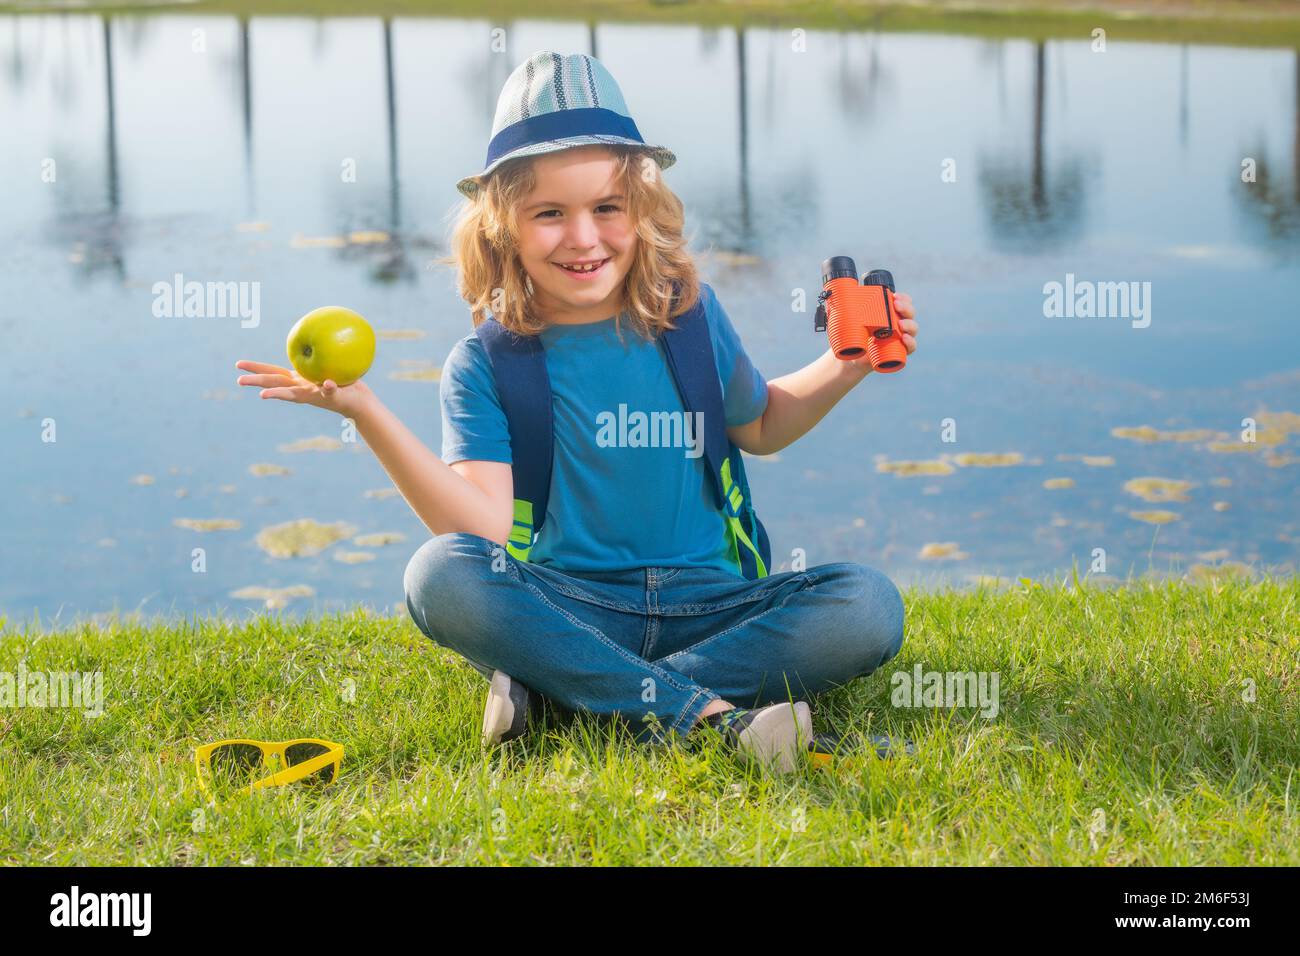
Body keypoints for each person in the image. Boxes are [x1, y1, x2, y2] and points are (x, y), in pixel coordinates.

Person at [237, 51, 919, 774]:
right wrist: (365, 411)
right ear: (503, 227)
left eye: (606, 208)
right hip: (570, 605)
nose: (584, 237)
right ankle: (703, 715)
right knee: (438, 573)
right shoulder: (487, 364)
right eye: (549, 214)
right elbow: (483, 530)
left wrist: (846, 366)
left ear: (641, 211)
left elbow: (764, 425)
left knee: (867, 604)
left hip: (716, 602)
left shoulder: (689, 319)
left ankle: (576, 693)